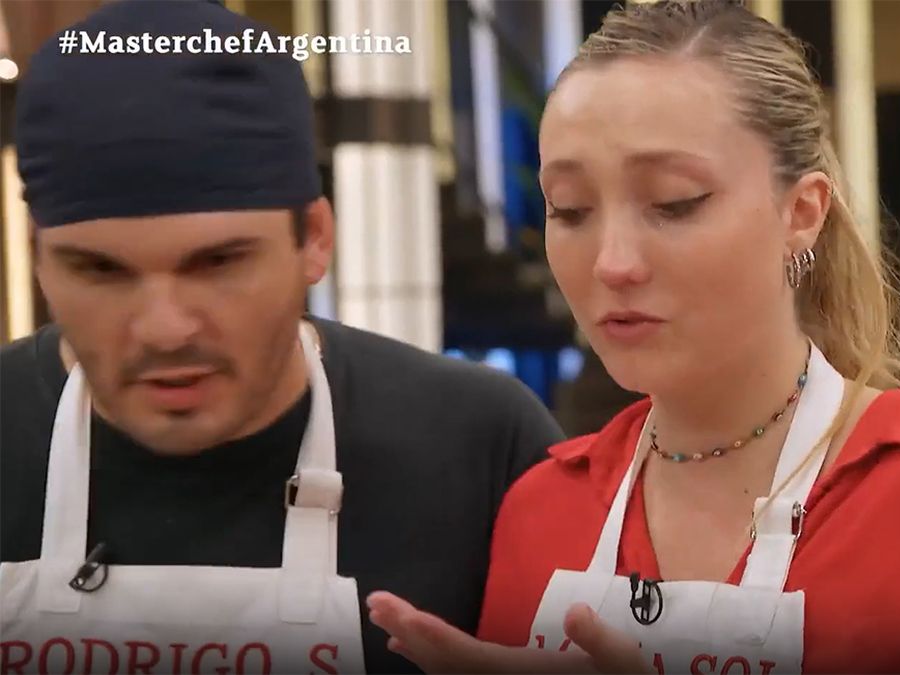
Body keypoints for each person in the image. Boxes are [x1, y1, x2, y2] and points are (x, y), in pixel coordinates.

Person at [365, 1, 900, 673]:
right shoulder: (544, 512)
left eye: (674, 202)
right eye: (569, 210)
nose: (612, 262)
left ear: (802, 212)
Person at [0, 1, 564, 673]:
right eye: (101, 270)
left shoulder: (481, 445)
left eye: (218, 263)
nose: (165, 329)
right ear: (39, 258)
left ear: (315, 239)